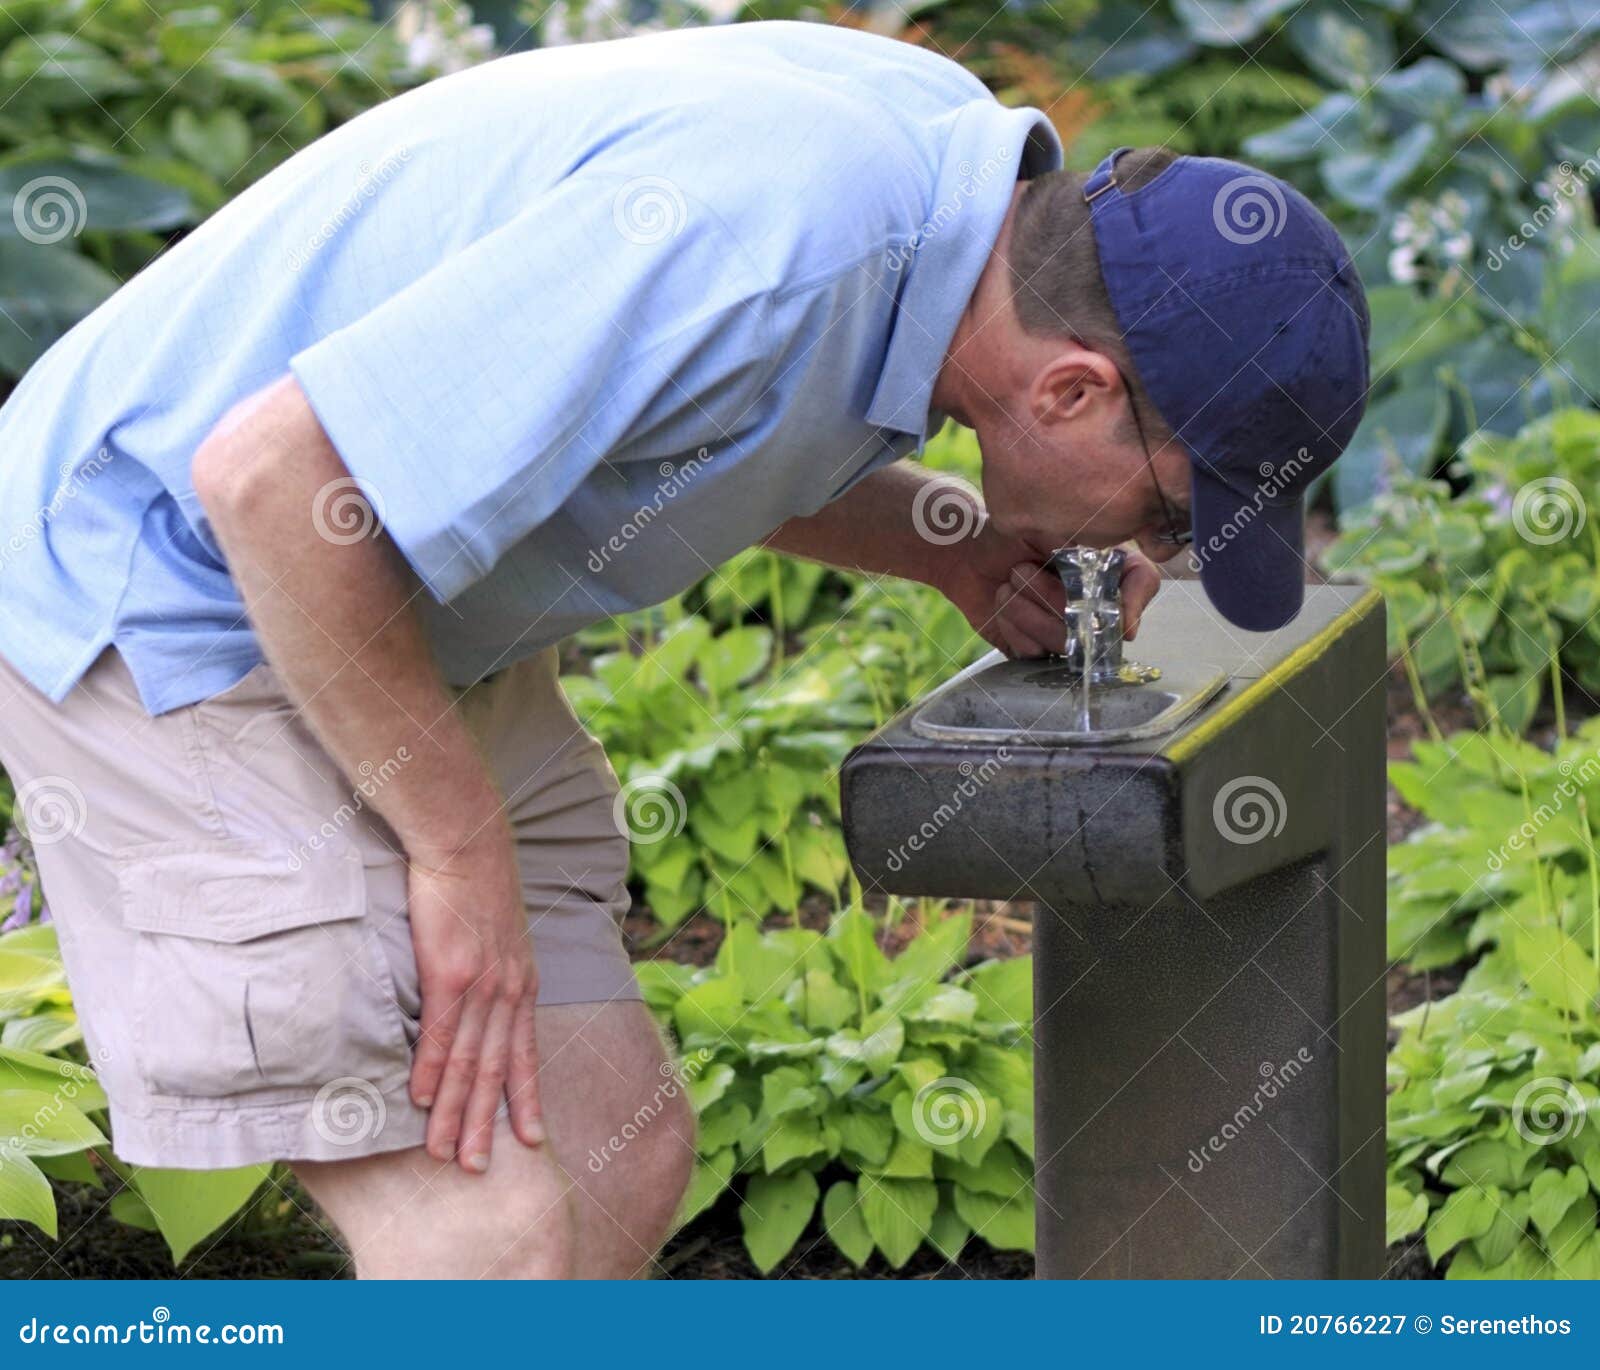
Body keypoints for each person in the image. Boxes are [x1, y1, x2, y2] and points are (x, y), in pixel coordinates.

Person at [0, 20, 1368, 1278]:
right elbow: (270, 482)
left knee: (621, 1148)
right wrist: (454, 846)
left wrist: (946, 541)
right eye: (1172, 505)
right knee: (486, 1236)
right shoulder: (768, 237)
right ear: (1072, 390)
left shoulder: (950, 211)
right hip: (175, 586)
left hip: (382, 598)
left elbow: (701, 415)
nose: (1163, 549)